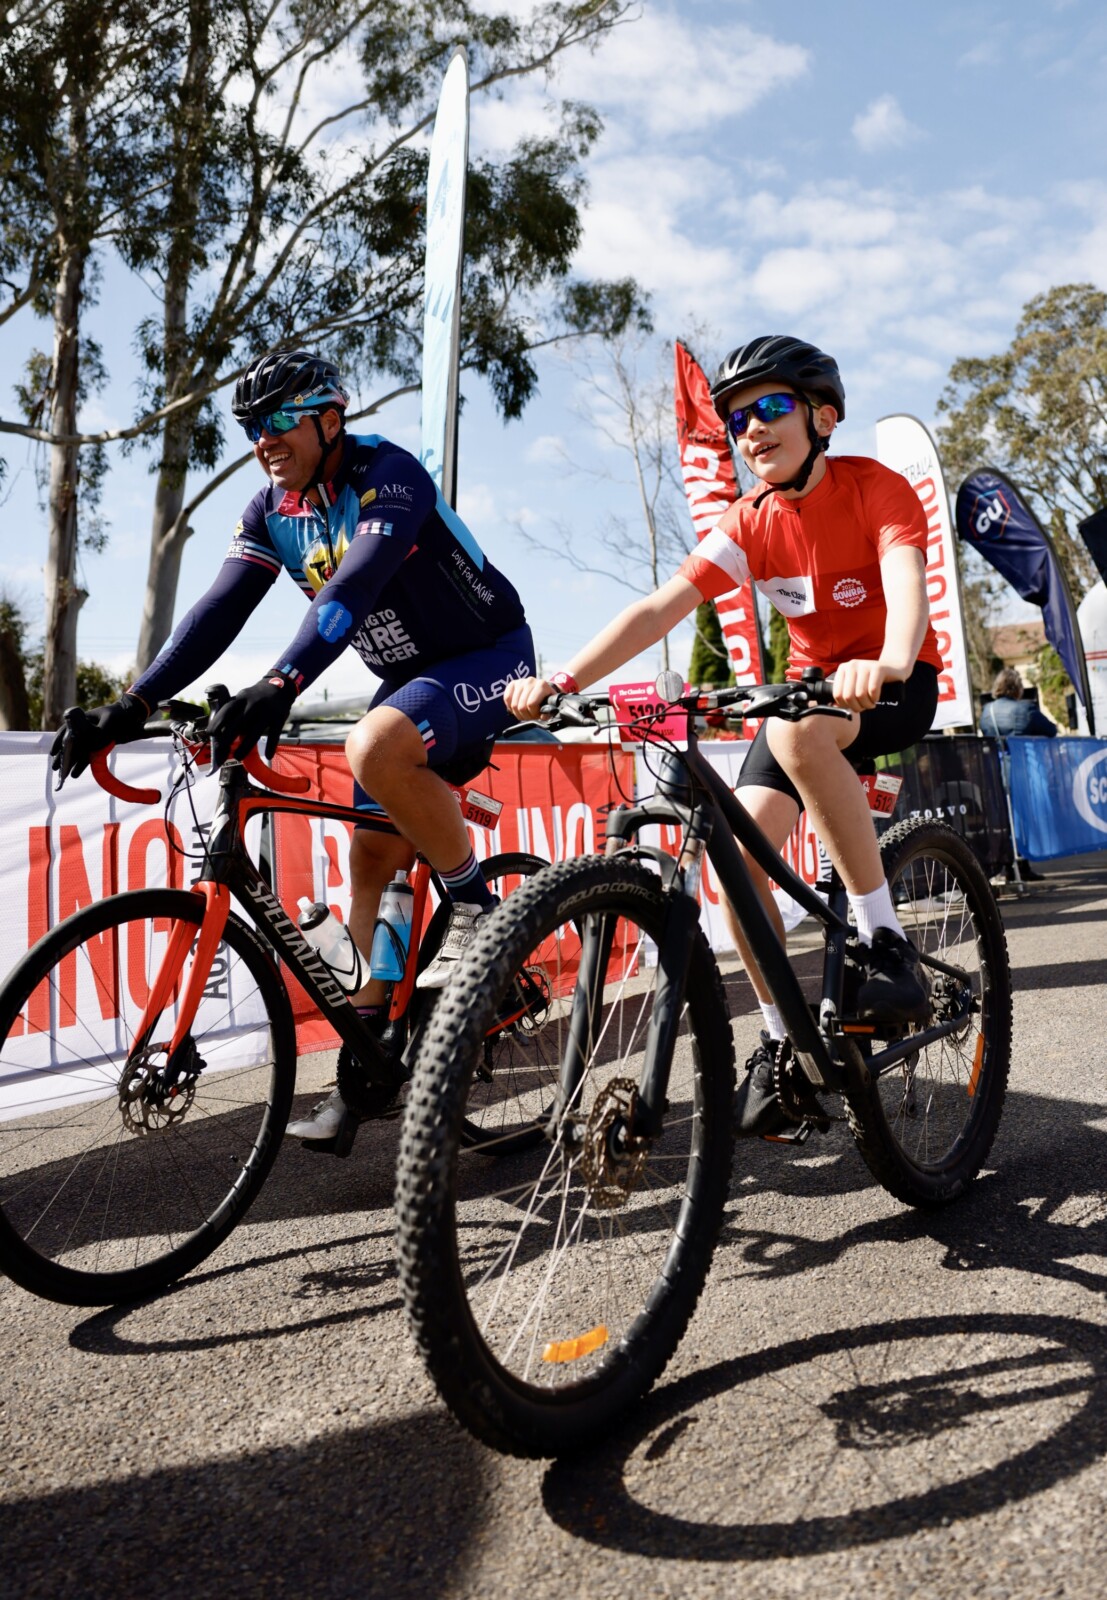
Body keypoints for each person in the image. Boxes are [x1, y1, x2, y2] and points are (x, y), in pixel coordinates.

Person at [51, 349, 535, 1149]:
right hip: (410, 677)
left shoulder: (390, 477)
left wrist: (280, 684)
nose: (262, 439)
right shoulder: (271, 509)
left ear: (328, 419)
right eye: (250, 427)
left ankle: (478, 908)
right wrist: (130, 702)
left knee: (373, 743)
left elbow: (353, 588)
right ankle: (377, 1056)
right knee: (372, 861)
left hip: (488, 657)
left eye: (278, 422)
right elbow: (216, 611)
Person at [505, 334, 942, 1139]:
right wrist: (565, 679)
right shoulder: (748, 521)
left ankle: (886, 944)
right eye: (737, 419)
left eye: (770, 409)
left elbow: (908, 593)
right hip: (804, 697)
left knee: (803, 736)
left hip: (891, 681)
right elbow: (656, 609)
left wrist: (880, 662)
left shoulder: (873, 487)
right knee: (733, 863)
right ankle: (784, 1047)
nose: (750, 430)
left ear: (822, 416)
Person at [980, 666, 1058, 739]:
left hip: (996, 753)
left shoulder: (985, 712)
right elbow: (1052, 731)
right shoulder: (1026, 709)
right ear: (1017, 688)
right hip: (1022, 753)